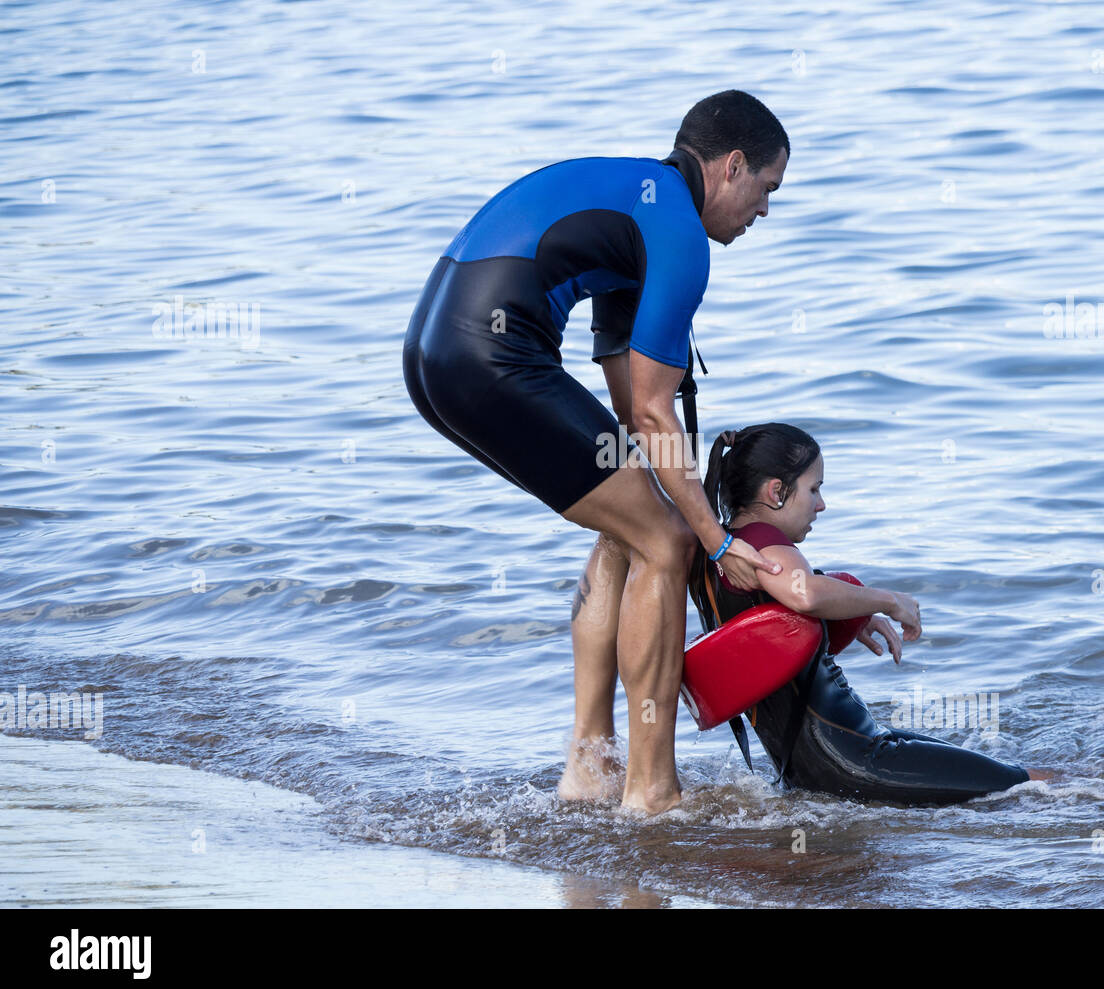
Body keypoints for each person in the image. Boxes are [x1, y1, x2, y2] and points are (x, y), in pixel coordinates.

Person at [402, 91, 790, 814]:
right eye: (766, 189)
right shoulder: (679, 233)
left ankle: (591, 764)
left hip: (432, 352)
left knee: (631, 520)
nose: (763, 211)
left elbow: (628, 413)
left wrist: (674, 499)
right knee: (666, 539)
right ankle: (651, 789)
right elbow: (650, 408)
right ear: (732, 167)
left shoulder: (641, 213)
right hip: (488, 353)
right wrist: (715, 538)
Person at [687, 423, 1051, 805]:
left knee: (1003, 775)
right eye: (814, 489)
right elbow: (806, 594)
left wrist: (845, 615)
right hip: (856, 758)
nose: (822, 504)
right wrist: (889, 600)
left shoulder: (721, 558)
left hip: (813, 764)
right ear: (776, 492)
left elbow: (766, 631)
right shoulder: (762, 544)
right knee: (1028, 786)